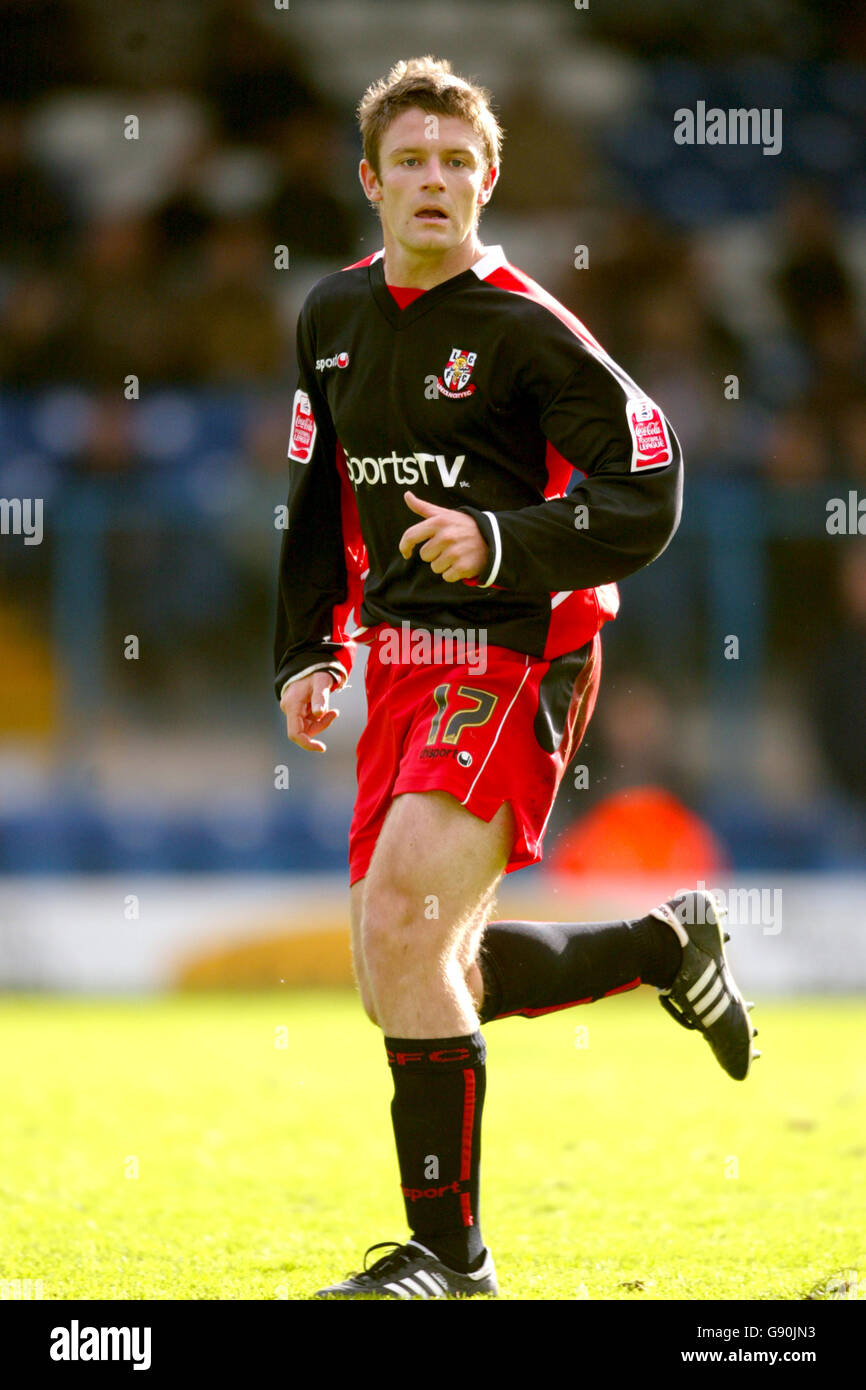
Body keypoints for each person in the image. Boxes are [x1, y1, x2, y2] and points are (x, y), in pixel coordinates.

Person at [274, 56, 758, 1300]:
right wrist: (312, 644)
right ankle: (657, 946)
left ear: (487, 181)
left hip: (517, 651)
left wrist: (499, 540)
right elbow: (317, 494)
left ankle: (448, 1259)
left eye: (457, 162)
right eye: (412, 162)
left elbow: (645, 488)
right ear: (370, 182)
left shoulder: (527, 329)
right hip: (398, 659)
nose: (434, 182)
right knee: (416, 963)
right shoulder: (328, 318)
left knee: (401, 926)